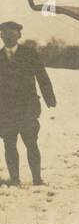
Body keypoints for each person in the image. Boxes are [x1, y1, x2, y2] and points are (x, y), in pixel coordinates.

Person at [0, 21, 56, 186]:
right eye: (4, 33)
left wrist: (49, 98)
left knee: (31, 142)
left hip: (27, 108)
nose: (8, 35)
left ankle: (37, 179)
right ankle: (15, 179)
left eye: (12, 32)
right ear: (1, 36)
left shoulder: (29, 54)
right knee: (9, 144)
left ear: (19, 35)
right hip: (5, 110)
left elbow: (42, 76)